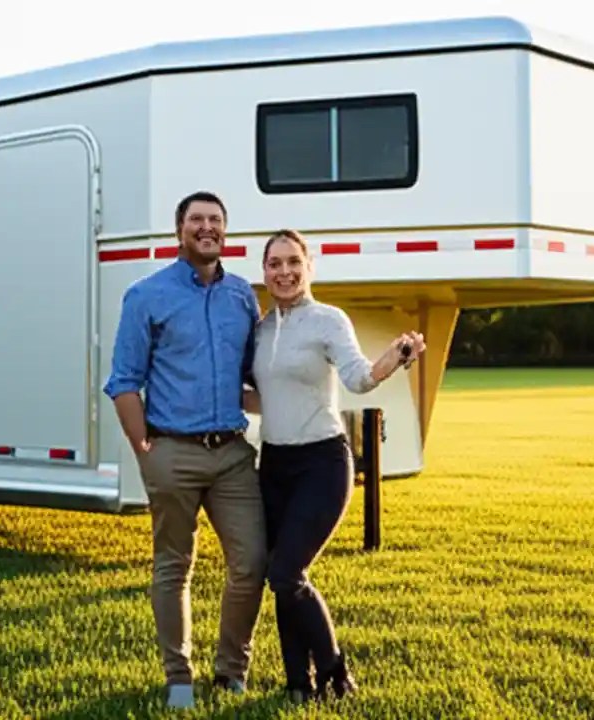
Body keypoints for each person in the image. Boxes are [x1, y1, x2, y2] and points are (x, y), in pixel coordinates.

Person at [102, 190, 267, 710]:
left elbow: (254, 375)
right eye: (196, 219)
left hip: (234, 455)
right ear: (179, 231)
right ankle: (179, 678)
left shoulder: (242, 295)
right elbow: (124, 381)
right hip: (172, 451)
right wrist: (144, 448)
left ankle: (231, 671)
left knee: (252, 562)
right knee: (174, 566)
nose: (207, 228)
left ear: (225, 231)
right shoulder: (146, 295)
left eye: (215, 220)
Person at [248, 229, 426, 702]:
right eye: (274, 264)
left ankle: (333, 671)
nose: (284, 272)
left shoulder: (328, 320)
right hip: (275, 466)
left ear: (309, 266)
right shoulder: (262, 329)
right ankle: (296, 684)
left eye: (292, 262)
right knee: (283, 576)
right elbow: (263, 396)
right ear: (263, 271)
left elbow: (360, 377)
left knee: (286, 572)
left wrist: (394, 357)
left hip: (322, 462)